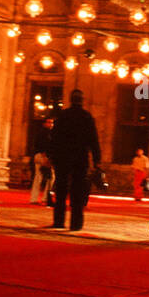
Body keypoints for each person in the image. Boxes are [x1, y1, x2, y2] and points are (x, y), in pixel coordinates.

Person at [49, 89, 101, 232]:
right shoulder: (86, 117)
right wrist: (97, 160)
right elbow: (93, 140)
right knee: (78, 192)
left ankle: (59, 221)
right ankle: (75, 224)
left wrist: (52, 156)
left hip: (63, 158)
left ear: (71, 100)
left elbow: (54, 137)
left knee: (61, 191)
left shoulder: (63, 115)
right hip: (80, 159)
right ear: (82, 100)